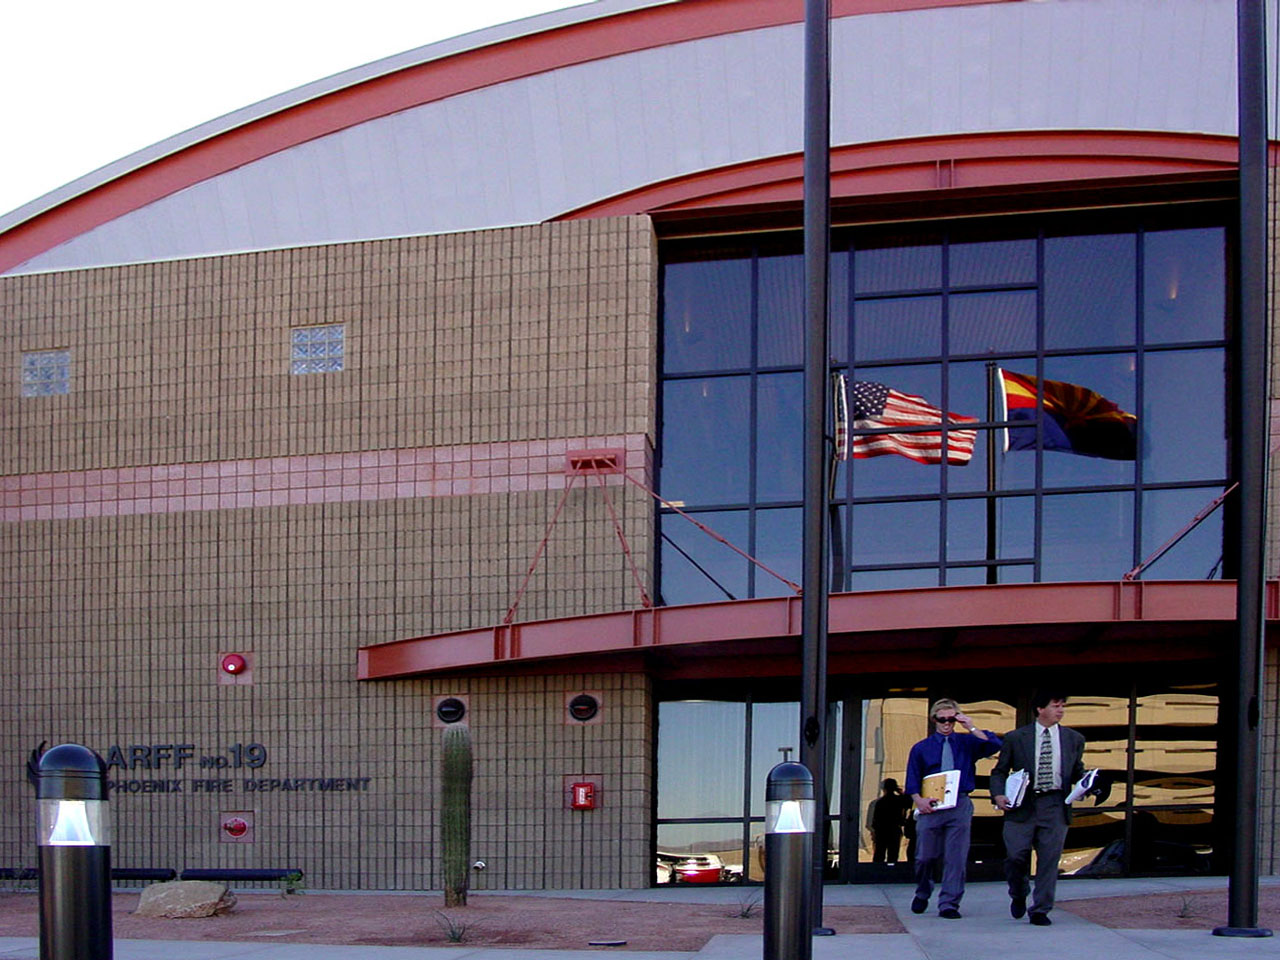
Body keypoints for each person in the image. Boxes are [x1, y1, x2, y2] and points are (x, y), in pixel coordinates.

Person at [990, 691, 1085, 927]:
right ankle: (1019, 891)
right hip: (1022, 805)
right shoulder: (1016, 738)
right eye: (1055, 706)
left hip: (1055, 805)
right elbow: (999, 770)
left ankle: (1041, 909)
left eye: (1063, 706)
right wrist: (998, 794)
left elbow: (1076, 772)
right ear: (1040, 709)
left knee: (1049, 860)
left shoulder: (1074, 739)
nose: (1060, 710)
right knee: (1015, 856)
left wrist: (1088, 784)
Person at [903, 698, 1001, 920]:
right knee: (924, 856)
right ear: (934, 720)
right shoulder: (921, 748)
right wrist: (918, 800)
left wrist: (970, 725)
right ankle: (923, 890)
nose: (947, 724)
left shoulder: (966, 742)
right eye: (942, 719)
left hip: (959, 803)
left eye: (951, 719)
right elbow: (912, 779)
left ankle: (949, 903)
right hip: (932, 804)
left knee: (955, 857)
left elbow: (993, 745)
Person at [868, 778, 910, 864]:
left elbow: (873, 820)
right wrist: (901, 793)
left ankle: (877, 874)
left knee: (879, 856)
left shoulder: (878, 803)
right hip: (894, 830)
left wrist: (874, 831)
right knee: (893, 856)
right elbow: (909, 802)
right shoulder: (899, 800)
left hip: (881, 831)